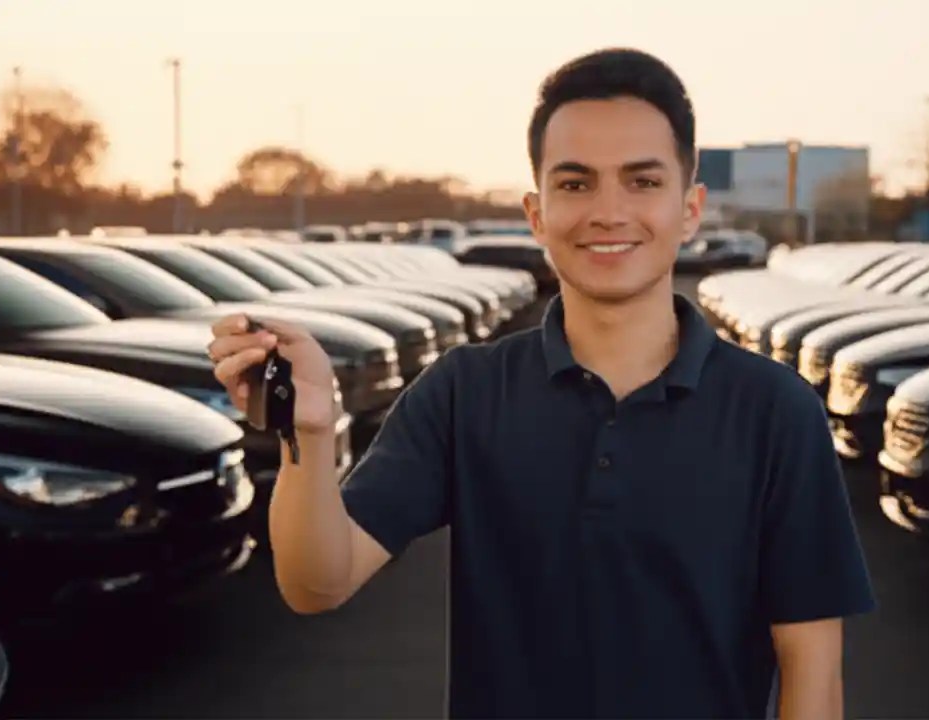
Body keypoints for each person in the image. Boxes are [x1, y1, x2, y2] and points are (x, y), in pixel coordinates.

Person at [207, 47, 875, 719]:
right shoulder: (465, 392)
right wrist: (311, 435)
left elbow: (812, 675)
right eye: (576, 183)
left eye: (642, 182)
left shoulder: (775, 409)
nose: (609, 212)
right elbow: (316, 583)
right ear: (536, 212)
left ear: (691, 209)